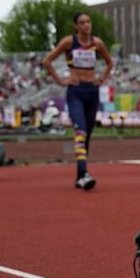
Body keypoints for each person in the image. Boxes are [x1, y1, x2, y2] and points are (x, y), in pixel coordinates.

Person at [43, 12, 114, 190]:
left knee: (87, 134)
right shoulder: (68, 42)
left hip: (92, 90)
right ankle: (84, 174)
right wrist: (61, 80)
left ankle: (79, 175)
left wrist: (101, 78)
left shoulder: (97, 43)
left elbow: (109, 63)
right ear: (76, 26)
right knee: (80, 132)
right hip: (75, 91)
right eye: (82, 23)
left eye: (88, 22)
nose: (86, 25)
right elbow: (47, 61)